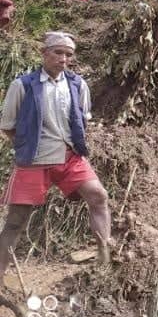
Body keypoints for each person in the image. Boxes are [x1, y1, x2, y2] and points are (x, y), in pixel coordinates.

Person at [0, 32, 111, 283]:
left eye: (68, 54)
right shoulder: (23, 85)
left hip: (69, 156)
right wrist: (27, 145)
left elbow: (83, 121)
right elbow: (8, 126)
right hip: (34, 160)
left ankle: (104, 257)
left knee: (98, 196)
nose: (63, 59)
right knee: (16, 221)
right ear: (44, 53)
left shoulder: (77, 85)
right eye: (58, 52)